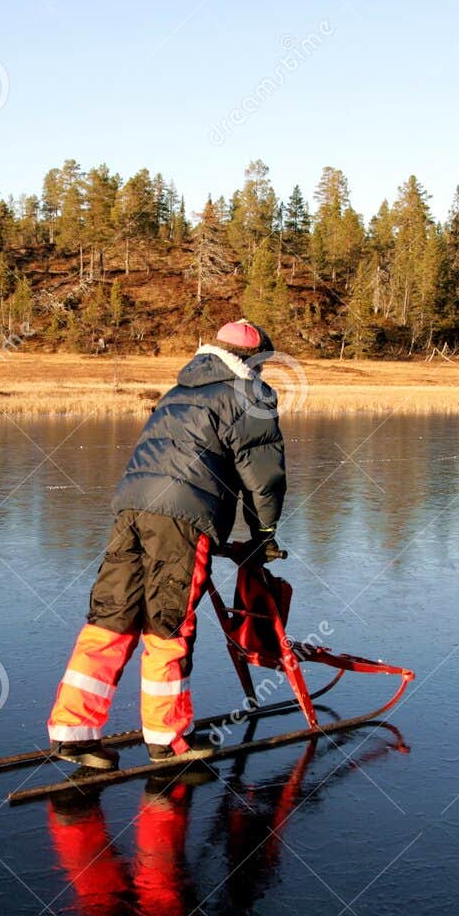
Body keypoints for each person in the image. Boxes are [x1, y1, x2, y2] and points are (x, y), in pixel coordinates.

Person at [46, 319, 287, 769]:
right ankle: (169, 741)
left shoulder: (180, 390)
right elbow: (265, 477)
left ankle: (73, 731)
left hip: (132, 508)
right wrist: (264, 536)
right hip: (182, 517)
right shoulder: (249, 394)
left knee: (111, 616)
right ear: (253, 361)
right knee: (170, 623)